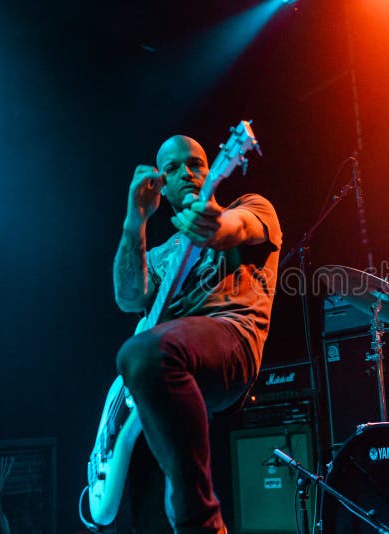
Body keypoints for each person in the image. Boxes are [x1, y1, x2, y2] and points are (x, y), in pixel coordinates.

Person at [112, 135, 282, 534]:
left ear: (211, 170)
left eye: (196, 163)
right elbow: (127, 297)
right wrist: (134, 221)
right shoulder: (157, 256)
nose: (186, 172)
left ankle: (202, 524)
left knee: (143, 353)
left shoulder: (253, 206)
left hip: (231, 341)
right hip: (168, 366)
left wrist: (210, 224)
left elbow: (232, 228)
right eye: (172, 168)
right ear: (162, 184)